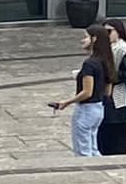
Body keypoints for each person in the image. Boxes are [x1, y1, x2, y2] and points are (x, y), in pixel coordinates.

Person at [50, 26, 116, 158]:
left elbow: (87, 92)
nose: (82, 40)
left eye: (85, 37)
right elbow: (108, 91)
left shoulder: (90, 64)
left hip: (86, 109)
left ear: (94, 39)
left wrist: (67, 102)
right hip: (98, 109)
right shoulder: (106, 61)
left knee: (83, 150)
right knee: (93, 147)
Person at [98, 19, 126, 155]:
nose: (106, 35)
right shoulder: (109, 49)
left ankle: (116, 151)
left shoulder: (121, 50)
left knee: (116, 124)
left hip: (119, 93)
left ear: (119, 32)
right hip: (111, 92)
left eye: (109, 31)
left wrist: (109, 76)